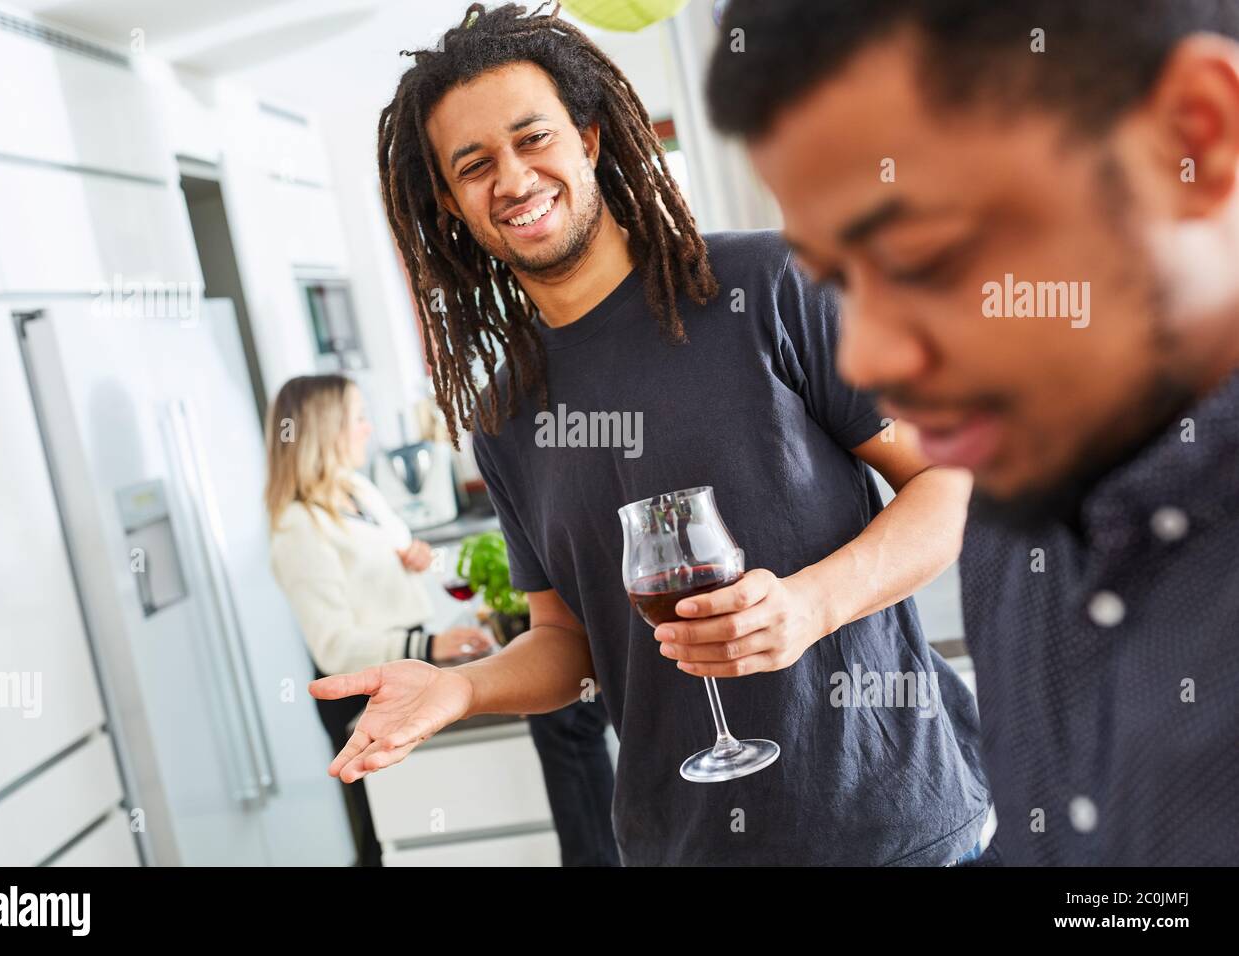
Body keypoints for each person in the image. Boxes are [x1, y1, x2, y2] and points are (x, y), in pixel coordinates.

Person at [310, 3, 990, 866]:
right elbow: (567, 643)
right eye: (474, 165)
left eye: (533, 139)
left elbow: (945, 483)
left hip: (890, 825)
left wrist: (810, 606)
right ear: (448, 203)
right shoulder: (504, 414)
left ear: (588, 138)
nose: (513, 179)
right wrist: (460, 690)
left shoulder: (769, 285)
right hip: (682, 845)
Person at [707, 0, 1239, 864]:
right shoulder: (1016, 515)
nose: (871, 358)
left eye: (921, 256)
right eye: (838, 280)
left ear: (1195, 137)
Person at [264, 373, 494, 865]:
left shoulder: (357, 491)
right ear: (325, 429)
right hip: (362, 694)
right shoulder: (297, 527)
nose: (369, 430)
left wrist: (409, 555)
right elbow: (335, 647)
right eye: (358, 418)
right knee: (390, 835)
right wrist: (431, 646)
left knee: (416, 824)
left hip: (403, 674)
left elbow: (373, 565)